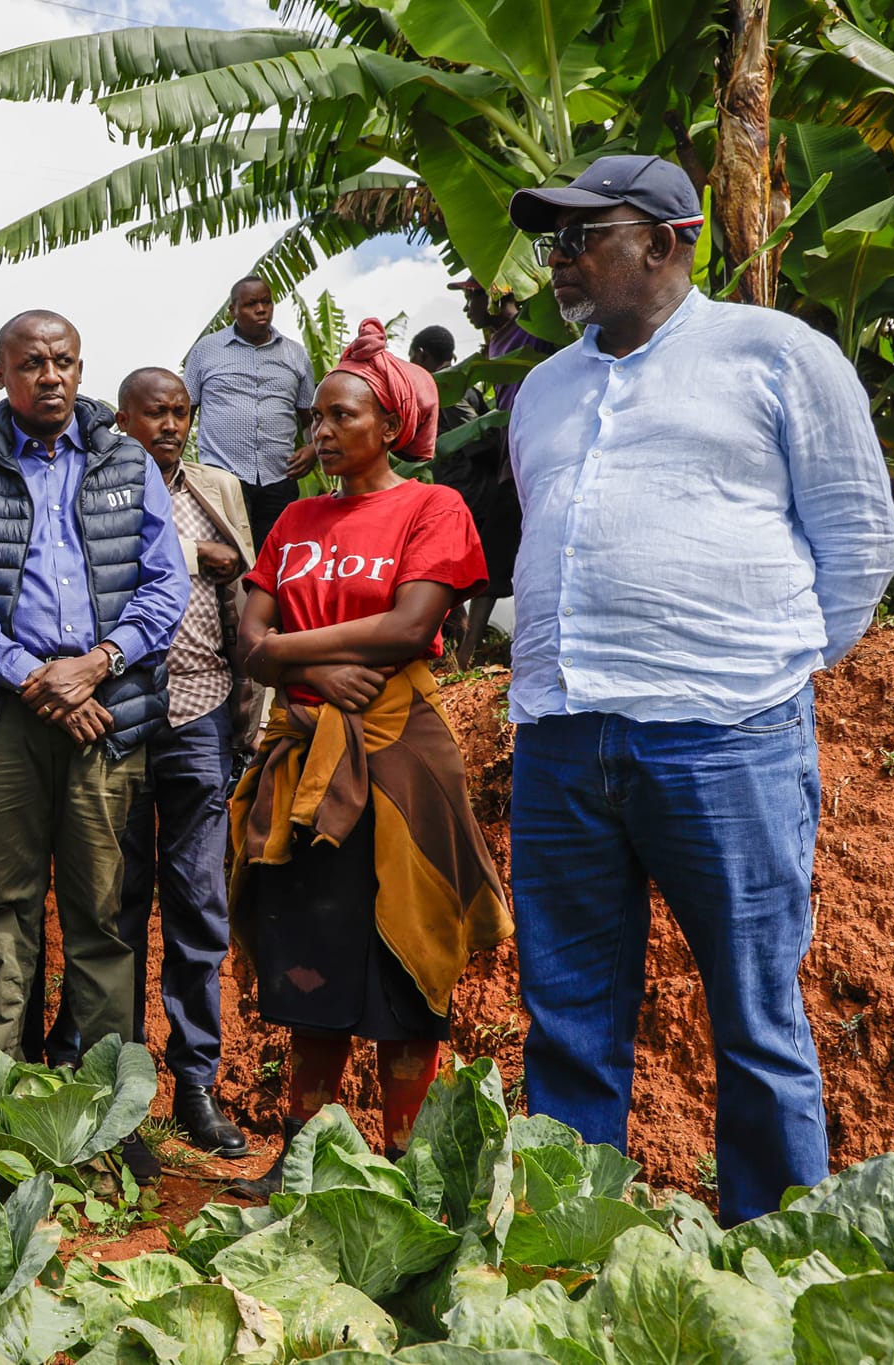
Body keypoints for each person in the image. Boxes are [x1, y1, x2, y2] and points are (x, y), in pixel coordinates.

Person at [505, 154, 894, 1225]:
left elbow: (858, 541)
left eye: (586, 235)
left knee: (753, 1015)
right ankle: (568, 1254)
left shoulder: (772, 353)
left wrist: (759, 671)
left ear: (670, 239)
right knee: (567, 1020)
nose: (561, 259)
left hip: (724, 738)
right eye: (555, 239)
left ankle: (770, 1254)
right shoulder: (541, 389)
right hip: (558, 740)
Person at [230, 318, 511, 1183]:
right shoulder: (296, 516)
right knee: (312, 948)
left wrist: (296, 651)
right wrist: (301, 658)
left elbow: (413, 624)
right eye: (315, 417)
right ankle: (302, 1157)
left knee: (404, 953)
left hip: (399, 749)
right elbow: (250, 639)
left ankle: (405, 1159)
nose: (320, 432)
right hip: (305, 749)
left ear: (389, 425)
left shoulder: (434, 506)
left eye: (340, 416)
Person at [0, 310, 188, 1178]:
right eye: (31, 362)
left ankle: (113, 1120)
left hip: (107, 713)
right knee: (6, 908)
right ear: (1, 374)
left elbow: (164, 584)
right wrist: (36, 676)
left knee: (103, 917)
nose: (50, 375)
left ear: (82, 369)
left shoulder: (126, 463)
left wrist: (98, 664)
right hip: (9, 719)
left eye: (64, 360)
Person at [111, 368, 253, 1158]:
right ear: (123, 418)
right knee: (121, 902)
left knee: (199, 902)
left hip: (203, 710)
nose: (169, 425)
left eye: (179, 413)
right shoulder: (99, 489)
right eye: (154, 413)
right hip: (123, 715)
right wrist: (189, 554)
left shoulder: (215, 489)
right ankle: (126, 1092)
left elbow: (247, 576)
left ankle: (196, 1082)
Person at [442, 278, 554, 667]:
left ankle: (471, 652)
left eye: (471, 298)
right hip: (514, 465)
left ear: (492, 295)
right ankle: (477, 650)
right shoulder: (497, 344)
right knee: (500, 561)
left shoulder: (535, 329)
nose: (467, 308)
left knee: (502, 560)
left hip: (540, 462)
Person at [183, 276, 318, 549]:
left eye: (266, 302)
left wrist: (314, 448)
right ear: (232, 310)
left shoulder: (296, 355)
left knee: (278, 560)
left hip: (280, 478)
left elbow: (312, 418)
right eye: (251, 304)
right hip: (222, 477)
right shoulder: (206, 351)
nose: (261, 309)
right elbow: (184, 413)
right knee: (229, 561)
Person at [406, 323, 507, 670]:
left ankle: (459, 648)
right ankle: (453, 643)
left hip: (469, 493)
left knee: (454, 570)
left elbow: (480, 439)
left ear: (421, 355)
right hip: (468, 491)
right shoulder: (463, 386)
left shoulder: (446, 390)